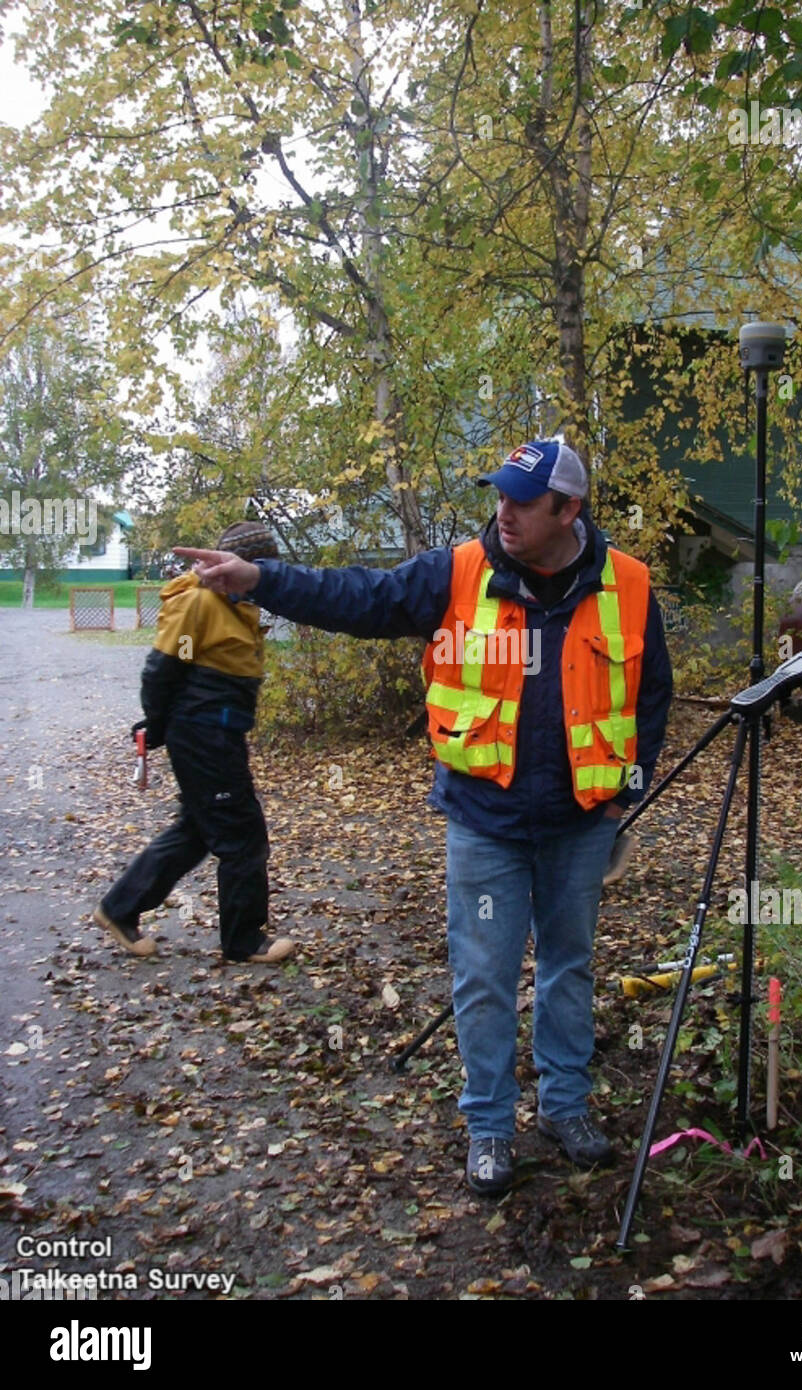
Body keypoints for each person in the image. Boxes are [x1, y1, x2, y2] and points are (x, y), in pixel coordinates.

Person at [175, 441, 673, 1193]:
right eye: (498, 495)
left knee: (569, 969)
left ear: (568, 510)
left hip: (579, 823)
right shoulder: (458, 573)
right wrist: (260, 579)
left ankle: (565, 1106)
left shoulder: (628, 585)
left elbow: (650, 699)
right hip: (484, 821)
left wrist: (621, 797)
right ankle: (489, 1126)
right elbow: (360, 597)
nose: (502, 512)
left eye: (521, 501)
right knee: (483, 977)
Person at [94, 522, 294, 965]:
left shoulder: (236, 602)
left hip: (219, 732)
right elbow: (162, 668)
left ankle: (119, 908)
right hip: (204, 735)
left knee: (197, 828)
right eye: (258, 566)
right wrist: (158, 724)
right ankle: (244, 942)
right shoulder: (202, 601)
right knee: (242, 834)